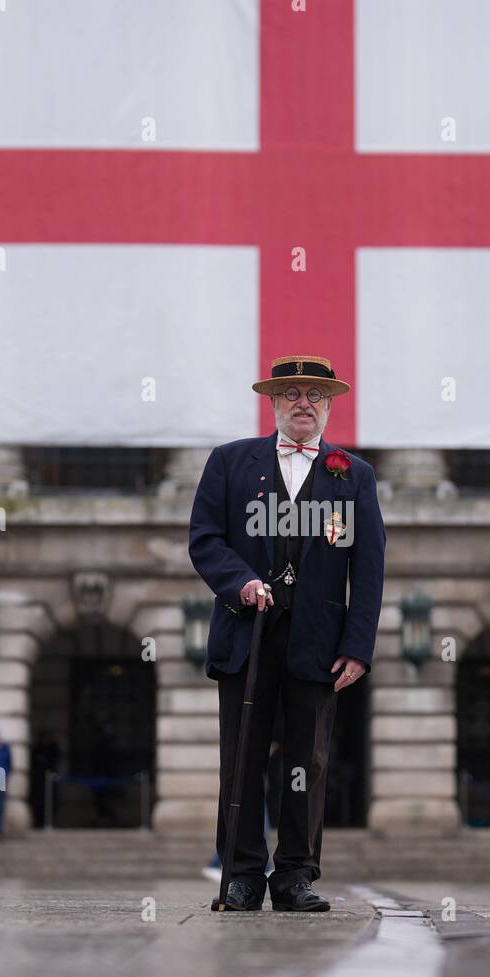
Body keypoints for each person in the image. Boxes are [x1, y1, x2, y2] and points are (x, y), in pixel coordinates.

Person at [189, 354, 386, 912]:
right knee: (243, 757)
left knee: (307, 762)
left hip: (318, 642)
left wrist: (358, 647)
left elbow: (368, 568)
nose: (305, 402)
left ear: (328, 406)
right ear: (274, 402)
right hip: (246, 632)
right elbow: (205, 539)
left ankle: (295, 874)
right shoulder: (229, 463)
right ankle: (242, 875)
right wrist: (242, 583)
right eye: (293, 393)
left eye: (315, 395)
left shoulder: (354, 475)